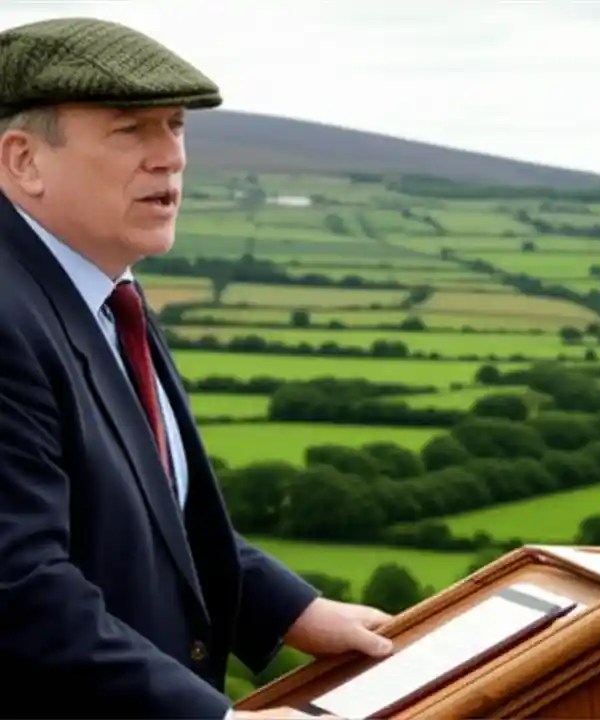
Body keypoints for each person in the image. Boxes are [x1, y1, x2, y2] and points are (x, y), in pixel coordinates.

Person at [0, 17, 397, 718]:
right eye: (131, 130)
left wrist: (292, 611)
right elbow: (19, 589)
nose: (170, 158)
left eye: (175, 126)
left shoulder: (101, 284)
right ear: (24, 160)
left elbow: (157, 510)